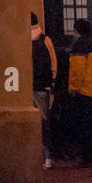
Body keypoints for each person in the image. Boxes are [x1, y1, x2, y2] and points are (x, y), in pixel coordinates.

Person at [68, 18, 92, 166]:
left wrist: (73, 88)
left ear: (77, 30)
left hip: (83, 92)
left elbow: (77, 70)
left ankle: (85, 159)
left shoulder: (79, 46)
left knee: (83, 128)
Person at [30, 12, 56, 169]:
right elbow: (54, 64)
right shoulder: (46, 39)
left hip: (27, 85)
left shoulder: (21, 40)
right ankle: (48, 156)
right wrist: (52, 82)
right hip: (43, 85)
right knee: (44, 121)